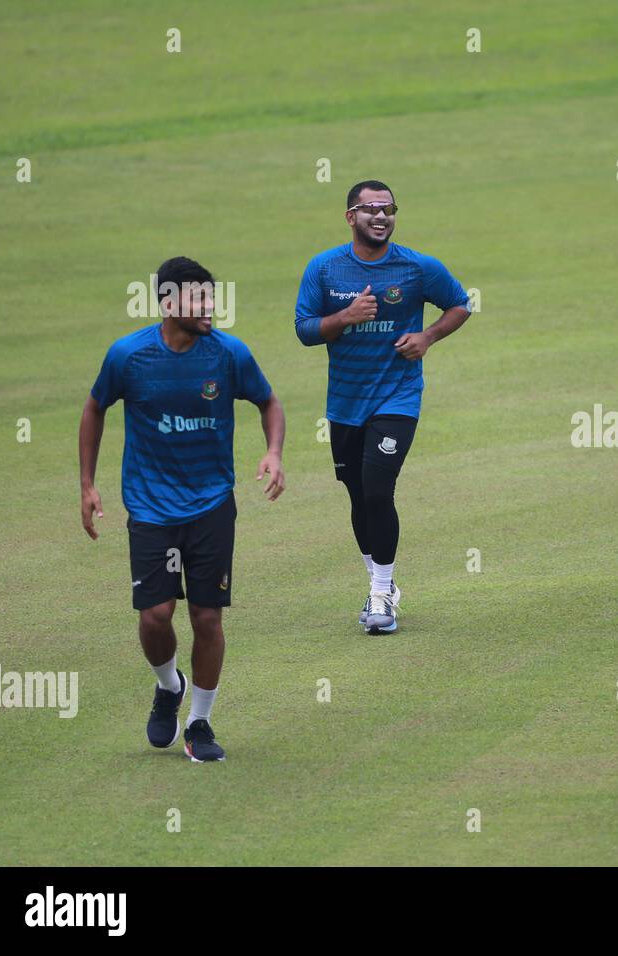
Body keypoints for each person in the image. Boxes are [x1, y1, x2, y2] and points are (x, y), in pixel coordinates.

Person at [80, 256, 286, 761]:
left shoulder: (229, 354)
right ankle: (168, 685)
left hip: (212, 505)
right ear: (168, 304)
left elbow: (269, 402)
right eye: (199, 300)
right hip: (151, 508)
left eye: (212, 298)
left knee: (206, 618)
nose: (210, 308)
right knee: (155, 615)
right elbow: (94, 409)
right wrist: (87, 484)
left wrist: (274, 452)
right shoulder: (128, 357)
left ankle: (199, 721)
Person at [295, 180, 471, 633]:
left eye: (388, 208)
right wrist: (344, 318)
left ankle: (381, 595)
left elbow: (460, 304)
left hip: (398, 397)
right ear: (350, 217)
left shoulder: (416, 267)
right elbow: (304, 329)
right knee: (356, 494)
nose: (381, 216)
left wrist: (427, 336)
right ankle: (380, 582)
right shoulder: (325, 268)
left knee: (377, 489)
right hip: (345, 404)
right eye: (369, 209)